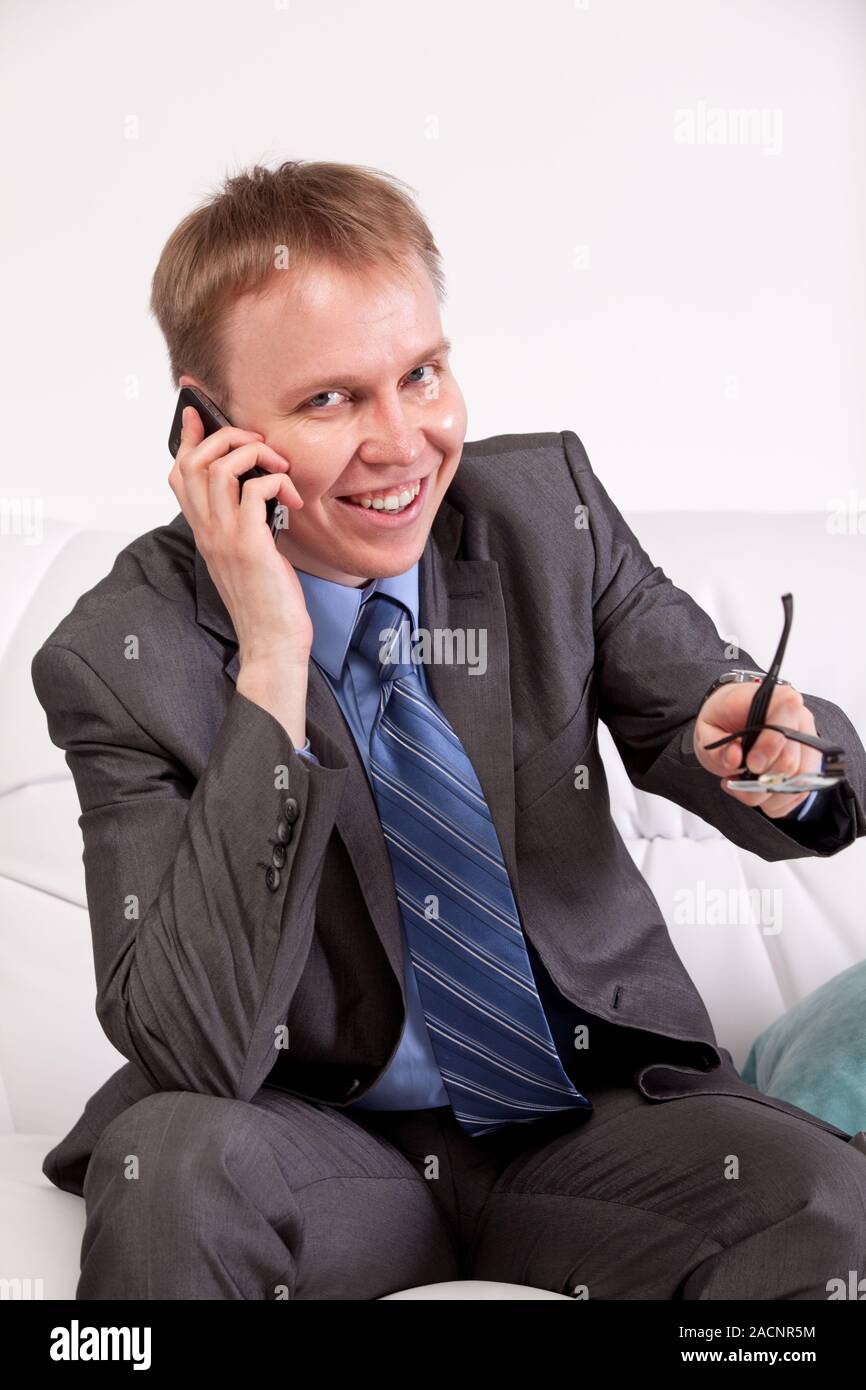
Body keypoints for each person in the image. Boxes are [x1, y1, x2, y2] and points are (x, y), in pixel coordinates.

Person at [31, 159, 866, 1300]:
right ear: (205, 426)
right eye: (329, 400)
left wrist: (780, 759)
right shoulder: (119, 655)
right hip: (325, 1152)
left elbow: (773, 759)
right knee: (168, 1163)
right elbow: (191, 1048)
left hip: (584, 1131)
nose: (402, 442)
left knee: (828, 1201)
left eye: (419, 375)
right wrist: (270, 658)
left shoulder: (543, 516)